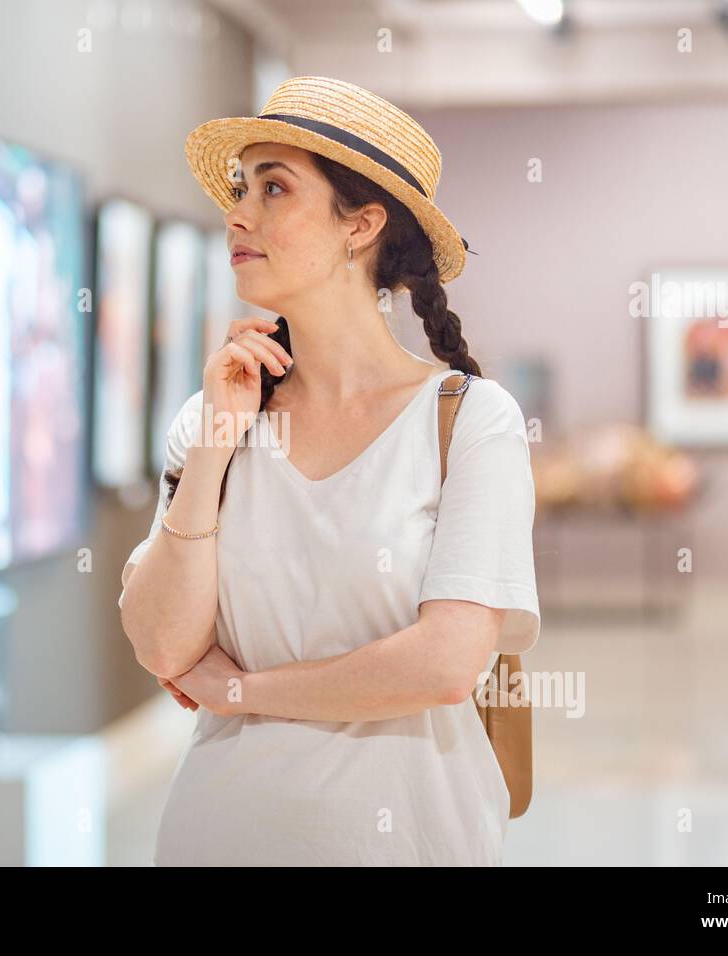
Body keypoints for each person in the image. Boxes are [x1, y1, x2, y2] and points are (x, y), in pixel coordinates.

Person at [118, 76, 540, 866]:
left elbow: (446, 665)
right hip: (219, 836)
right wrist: (214, 444)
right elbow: (161, 643)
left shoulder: (471, 422)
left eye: (274, 188)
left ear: (362, 225)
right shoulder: (213, 418)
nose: (237, 213)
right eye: (242, 187)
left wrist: (243, 690)